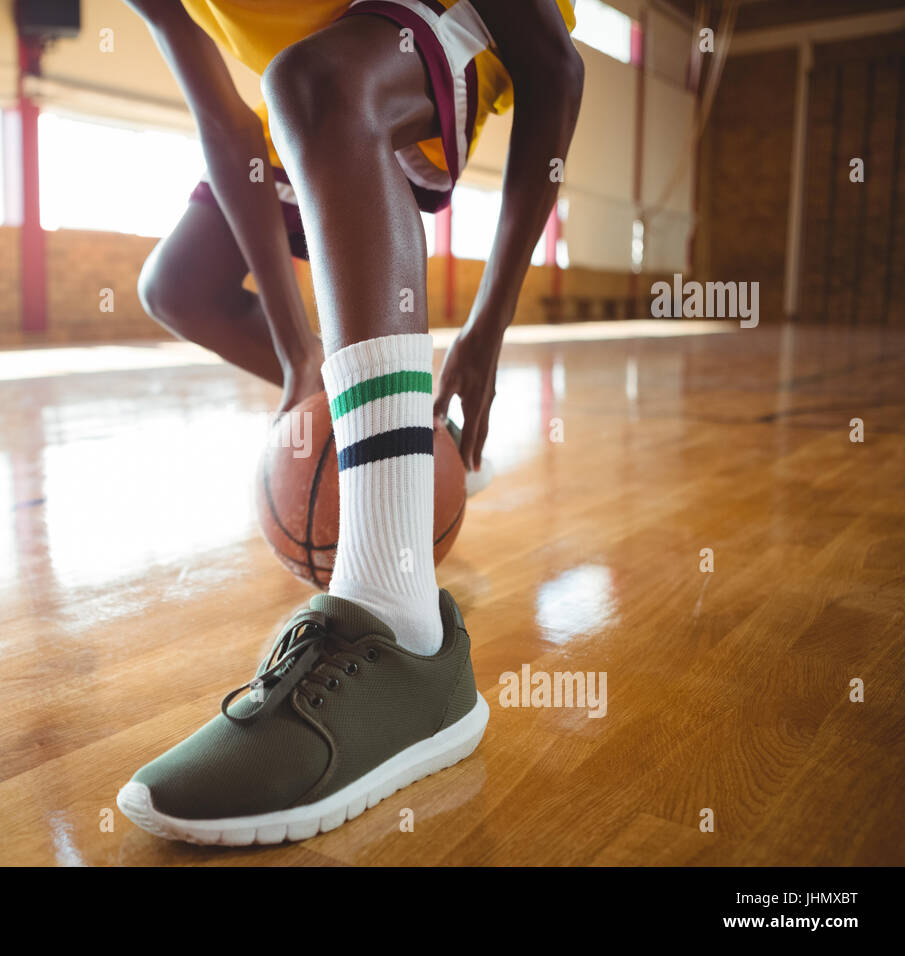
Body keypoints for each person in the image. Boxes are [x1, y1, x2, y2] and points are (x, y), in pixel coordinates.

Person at [118, 0, 583, 845]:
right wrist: (298, 352)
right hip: (296, 83)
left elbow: (555, 63)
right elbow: (227, 132)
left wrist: (488, 326)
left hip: (441, 31)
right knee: (176, 285)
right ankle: (381, 437)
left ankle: (398, 618)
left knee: (318, 86)